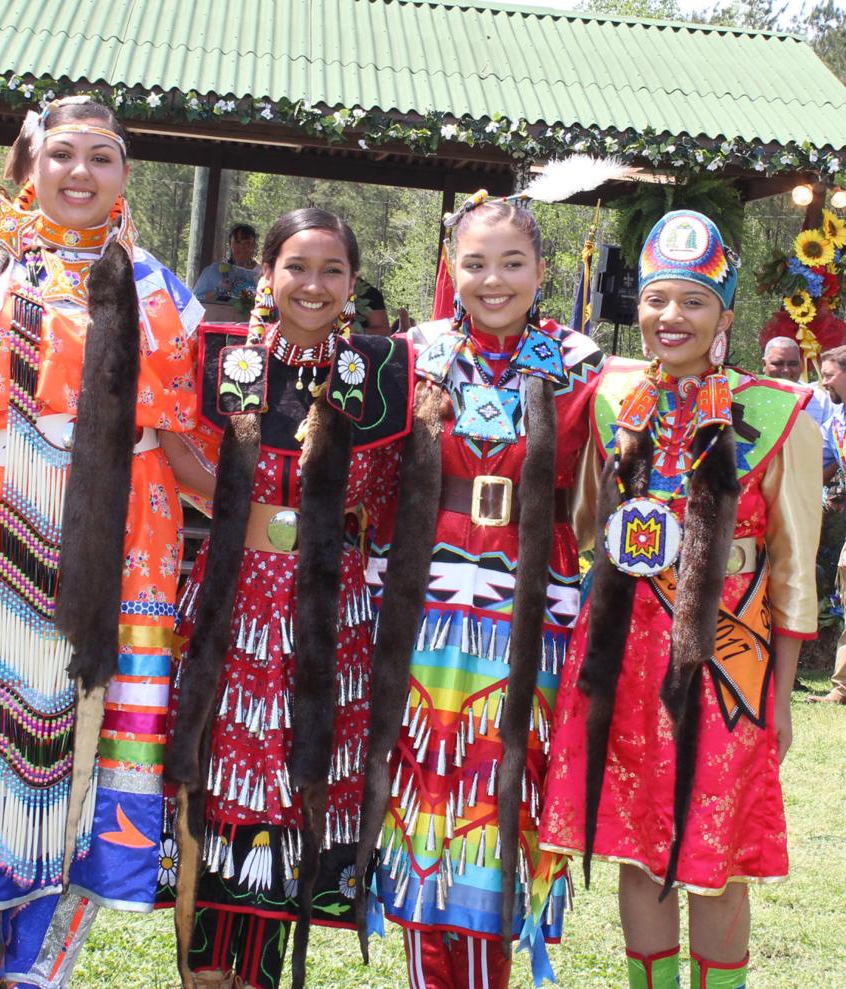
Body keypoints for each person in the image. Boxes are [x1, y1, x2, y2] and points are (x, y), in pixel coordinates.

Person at [0, 97, 204, 989]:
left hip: (124, 536)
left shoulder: (160, 288)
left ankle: (43, 958)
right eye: (63, 154)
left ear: (126, 174)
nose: (81, 173)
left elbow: (196, 438)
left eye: (103, 157)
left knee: (89, 730)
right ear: (31, 165)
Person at [540, 210, 820, 989]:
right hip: (625, 651)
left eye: (693, 302)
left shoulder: (779, 413)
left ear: (724, 316)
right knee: (638, 842)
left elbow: (796, 571)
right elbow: (588, 522)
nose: (672, 318)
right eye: (659, 300)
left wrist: (785, 697)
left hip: (732, 655)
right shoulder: (611, 395)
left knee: (717, 856)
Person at [161, 207, 439, 989]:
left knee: (296, 790)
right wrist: (242, 505)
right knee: (217, 790)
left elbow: (390, 497)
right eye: (296, 267)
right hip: (234, 602)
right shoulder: (221, 357)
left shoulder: (384, 376)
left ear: (352, 284)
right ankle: (202, 972)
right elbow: (169, 441)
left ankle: (259, 974)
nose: (312, 285)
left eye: (331, 271)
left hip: (330, 615)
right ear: (267, 274)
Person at [356, 192, 604, 989]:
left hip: (529, 617)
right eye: (476, 262)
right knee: (422, 803)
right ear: (449, 268)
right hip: (424, 614)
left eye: (513, 262)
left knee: (504, 803)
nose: (493, 279)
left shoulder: (582, 363)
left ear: (541, 269)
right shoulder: (414, 352)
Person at [813, 344, 846, 705]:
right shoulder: (835, 421)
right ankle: (841, 688)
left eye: (830, 374)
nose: (824, 382)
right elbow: (817, 466)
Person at [762, 335, 832, 426]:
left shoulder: (820, 399)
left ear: (801, 365)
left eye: (792, 364)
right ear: (764, 364)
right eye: (778, 364)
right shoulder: (748, 395)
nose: (786, 370)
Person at [192, 223, 261, 303]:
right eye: (237, 242)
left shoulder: (263, 274)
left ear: (255, 245)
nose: (242, 246)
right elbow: (196, 302)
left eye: (247, 242)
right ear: (230, 245)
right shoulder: (214, 270)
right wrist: (218, 290)